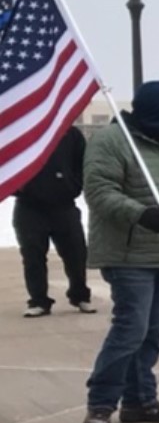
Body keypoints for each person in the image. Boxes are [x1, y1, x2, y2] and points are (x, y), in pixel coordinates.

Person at [80, 81, 159, 423]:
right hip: (129, 254)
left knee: (150, 333)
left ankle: (140, 400)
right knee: (129, 329)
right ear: (157, 114)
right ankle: (101, 404)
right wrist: (140, 214)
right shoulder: (111, 141)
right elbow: (99, 191)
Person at [14, 124, 94, 318]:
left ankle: (79, 295)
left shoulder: (71, 134)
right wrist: (20, 188)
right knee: (33, 256)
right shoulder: (22, 130)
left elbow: (83, 165)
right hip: (29, 206)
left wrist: (73, 185)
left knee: (76, 253)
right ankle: (38, 300)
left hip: (64, 205)